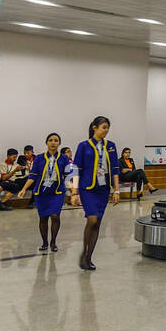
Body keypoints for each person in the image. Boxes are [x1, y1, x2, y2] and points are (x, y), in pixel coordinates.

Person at [67, 116, 120, 271]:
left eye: (108, 127)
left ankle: (89, 257)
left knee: (98, 223)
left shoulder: (111, 146)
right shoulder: (83, 146)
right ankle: (84, 251)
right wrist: (74, 192)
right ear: (94, 127)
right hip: (87, 189)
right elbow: (76, 169)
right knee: (92, 219)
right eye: (104, 127)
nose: (107, 130)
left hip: (103, 189)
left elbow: (115, 169)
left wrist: (116, 190)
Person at [17, 133, 70, 251]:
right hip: (42, 192)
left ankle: (53, 242)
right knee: (43, 217)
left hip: (57, 192)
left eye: (56, 140)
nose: (53, 142)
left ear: (59, 143)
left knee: (55, 216)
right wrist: (24, 189)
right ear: (46, 143)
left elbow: (69, 175)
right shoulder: (39, 158)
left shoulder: (64, 158)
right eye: (50, 140)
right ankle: (45, 242)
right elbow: (32, 176)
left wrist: (75, 191)